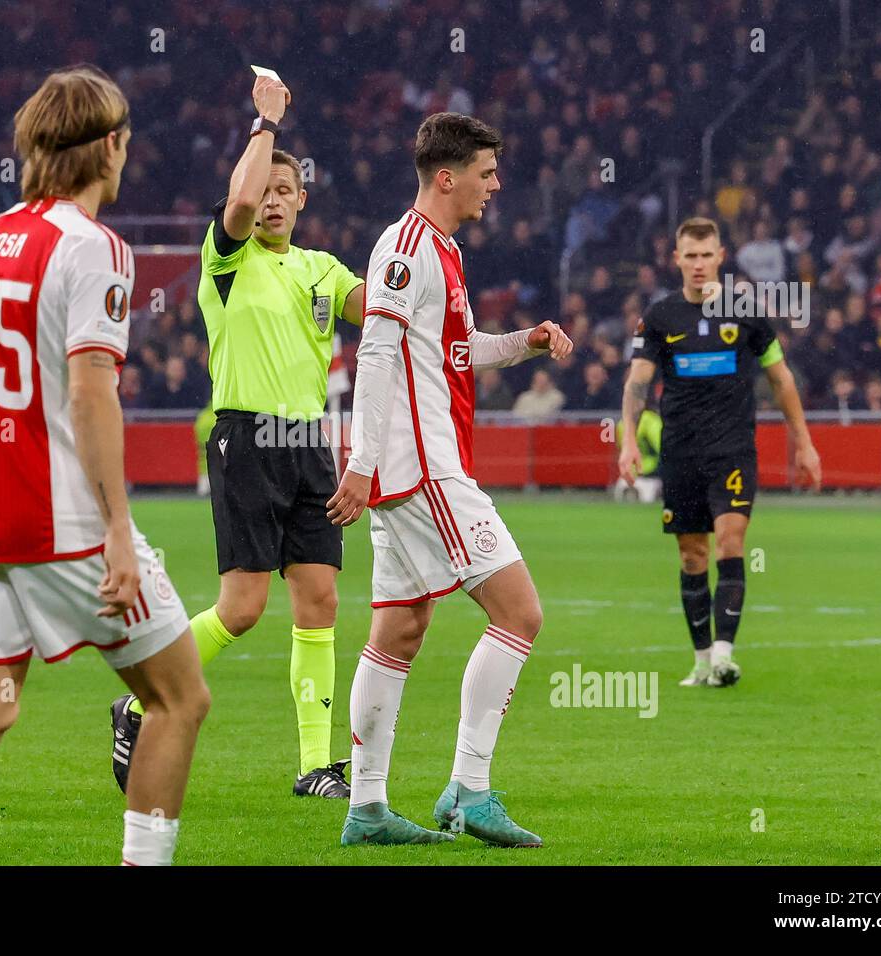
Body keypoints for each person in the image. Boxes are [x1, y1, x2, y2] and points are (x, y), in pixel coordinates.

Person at [0, 66, 208, 867]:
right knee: (177, 698)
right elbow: (90, 395)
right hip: (62, 521)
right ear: (110, 145)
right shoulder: (96, 248)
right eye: (123, 136)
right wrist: (120, 529)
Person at [110, 73, 365, 800]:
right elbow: (243, 199)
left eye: (288, 192)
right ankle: (137, 699)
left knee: (319, 601)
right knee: (244, 609)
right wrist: (265, 125)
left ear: (304, 202)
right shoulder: (226, 260)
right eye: (265, 192)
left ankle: (317, 765)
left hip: (310, 444)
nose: (273, 201)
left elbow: (375, 310)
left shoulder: (321, 268)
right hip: (247, 438)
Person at [328, 112, 573, 847]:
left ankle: (366, 808)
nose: (495, 186)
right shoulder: (405, 249)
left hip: (415, 468)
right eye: (486, 173)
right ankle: (469, 788)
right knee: (520, 614)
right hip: (422, 467)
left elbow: (456, 349)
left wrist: (523, 344)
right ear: (447, 176)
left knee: (399, 631)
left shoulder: (443, 251)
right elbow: (374, 354)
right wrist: (364, 463)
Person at [618, 217, 821, 689]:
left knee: (731, 540)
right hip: (681, 453)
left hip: (731, 450)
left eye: (706, 255)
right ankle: (703, 659)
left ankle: (725, 656)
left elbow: (781, 378)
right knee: (693, 555)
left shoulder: (748, 312)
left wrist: (804, 442)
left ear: (720, 257)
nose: (698, 264)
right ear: (676, 259)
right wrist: (628, 440)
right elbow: (637, 385)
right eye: (689, 255)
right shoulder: (660, 317)